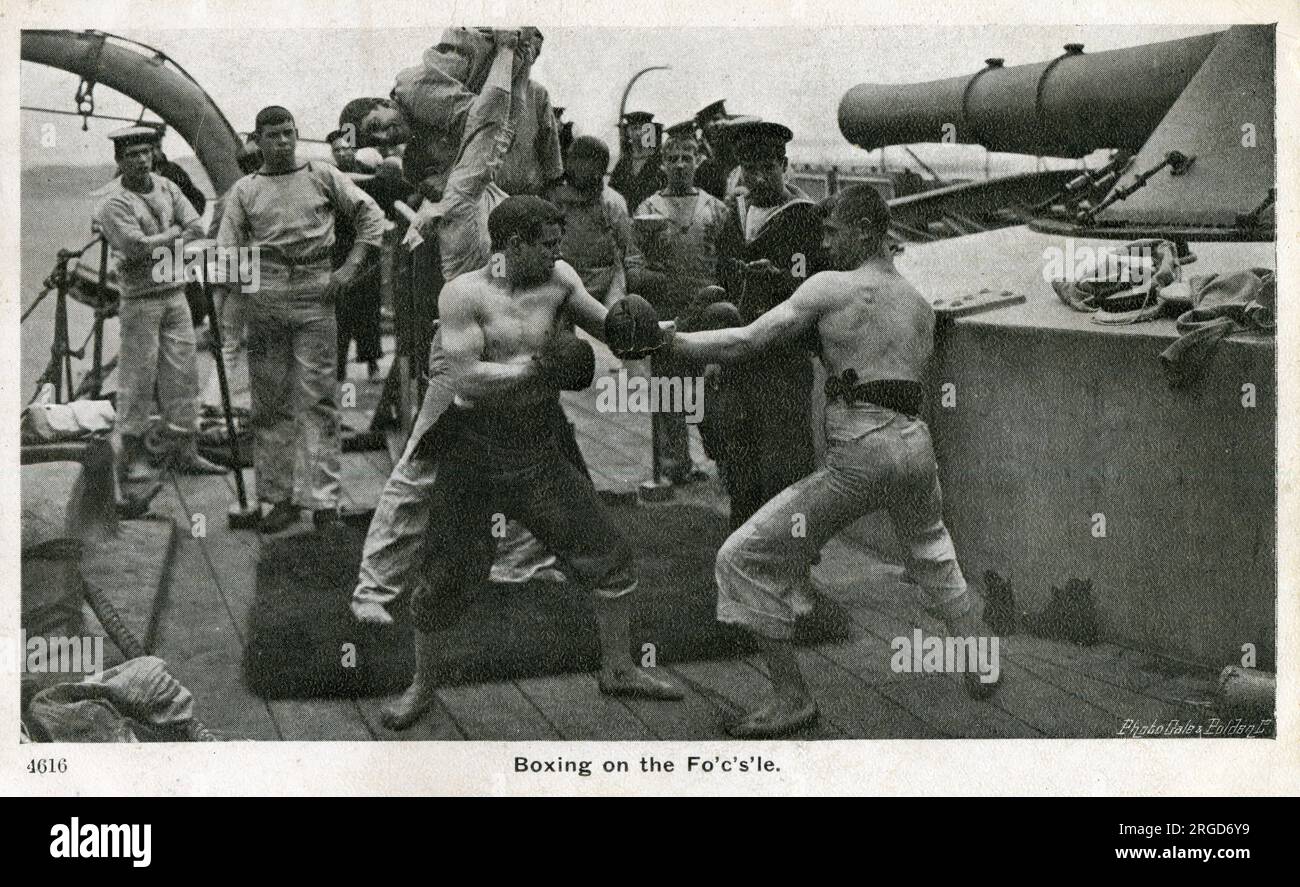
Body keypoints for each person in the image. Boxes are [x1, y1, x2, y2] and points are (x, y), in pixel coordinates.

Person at [608, 184, 999, 738]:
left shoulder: (829, 287)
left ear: (865, 230)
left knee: (741, 558)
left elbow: (744, 342)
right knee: (931, 549)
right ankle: (979, 653)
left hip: (860, 458)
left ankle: (792, 699)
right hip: (915, 448)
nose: (826, 241)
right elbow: (868, 354)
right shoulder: (918, 302)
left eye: (835, 230)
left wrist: (666, 342)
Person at [380, 196, 683, 729]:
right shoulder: (463, 294)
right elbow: (466, 376)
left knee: (605, 552)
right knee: (445, 574)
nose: (556, 252)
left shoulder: (560, 279)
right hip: (474, 443)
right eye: (546, 243)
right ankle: (421, 687)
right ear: (513, 243)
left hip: (539, 440)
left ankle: (618, 668)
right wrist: (541, 366)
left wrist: (657, 328)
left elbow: (609, 328)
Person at [351, 30, 574, 625]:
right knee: (421, 468)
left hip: (515, 338)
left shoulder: (505, 203)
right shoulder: (461, 195)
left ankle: (518, 563)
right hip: (465, 356)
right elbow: (487, 124)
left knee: (543, 455)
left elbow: (521, 158)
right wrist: (503, 53)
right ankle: (374, 592)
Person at [216, 106, 387, 534]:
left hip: (316, 291)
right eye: (272, 135)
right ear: (257, 140)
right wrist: (229, 301)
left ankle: (325, 502)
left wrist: (348, 270)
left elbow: (371, 216)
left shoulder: (322, 174)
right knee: (270, 404)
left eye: (289, 133)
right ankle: (279, 498)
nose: (283, 142)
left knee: (319, 400)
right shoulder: (244, 190)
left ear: (296, 134)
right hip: (266, 296)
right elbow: (227, 250)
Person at [707, 119, 826, 530]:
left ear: (785, 166)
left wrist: (778, 278)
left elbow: (817, 285)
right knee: (740, 455)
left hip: (782, 360)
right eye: (749, 169)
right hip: (738, 358)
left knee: (785, 457)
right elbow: (721, 276)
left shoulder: (806, 218)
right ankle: (745, 543)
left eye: (768, 168)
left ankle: (790, 554)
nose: (758, 178)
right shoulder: (733, 216)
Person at [94, 126, 227, 482]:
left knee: (183, 374)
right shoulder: (113, 201)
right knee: (137, 378)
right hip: (140, 301)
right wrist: (173, 236)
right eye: (132, 155)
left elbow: (196, 226)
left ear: (154, 154)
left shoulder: (168, 186)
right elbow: (133, 247)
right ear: (119, 160)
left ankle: (187, 451)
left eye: (146, 152)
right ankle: (132, 458)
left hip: (175, 294)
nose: (141, 159)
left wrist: (162, 240)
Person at [630, 130, 727, 483]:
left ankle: (721, 458)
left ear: (698, 161)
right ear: (663, 164)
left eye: (687, 157)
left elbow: (727, 260)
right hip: (667, 310)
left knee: (710, 387)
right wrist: (649, 278)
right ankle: (674, 465)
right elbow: (633, 262)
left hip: (708, 309)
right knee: (669, 388)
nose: (681, 165)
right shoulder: (648, 209)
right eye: (673, 159)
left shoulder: (715, 208)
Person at [546, 136, 639, 306]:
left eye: (588, 160)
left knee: (613, 317)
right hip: (564, 278)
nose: (579, 166)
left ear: (601, 168)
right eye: (575, 159)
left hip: (605, 279)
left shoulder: (612, 202)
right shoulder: (556, 198)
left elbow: (628, 250)